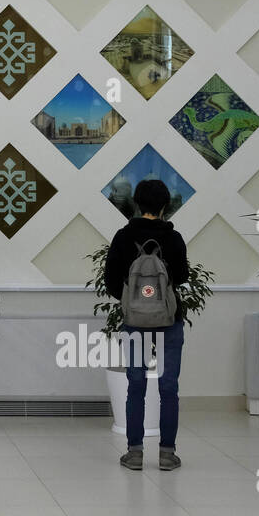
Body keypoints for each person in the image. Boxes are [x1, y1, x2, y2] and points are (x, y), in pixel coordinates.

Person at [104, 178, 189, 471]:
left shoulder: (123, 237)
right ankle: (167, 453)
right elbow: (182, 276)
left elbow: (111, 279)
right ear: (165, 206)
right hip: (169, 319)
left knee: (136, 385)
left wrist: (132, 301)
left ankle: (135, 452)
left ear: (138, 205)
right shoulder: (174, 239)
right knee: (169, 387)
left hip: (135, 321)